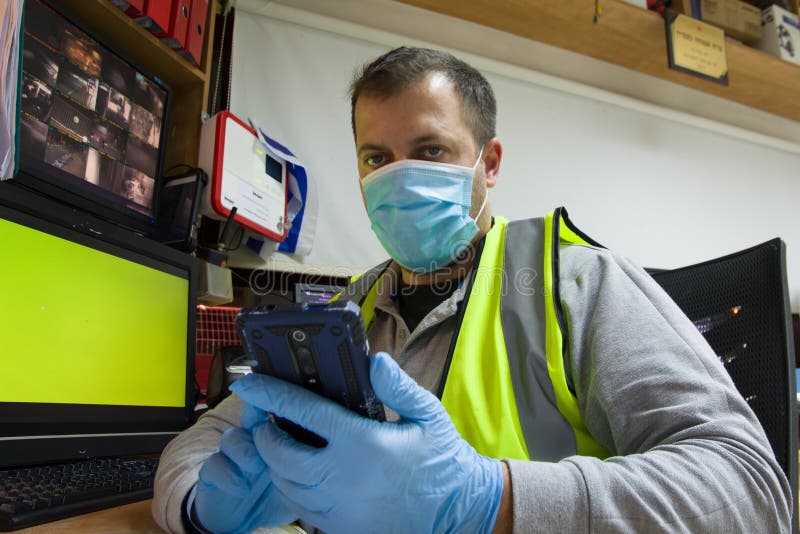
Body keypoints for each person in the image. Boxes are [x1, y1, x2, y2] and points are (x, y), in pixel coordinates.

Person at [152, 47, 792, 533]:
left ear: (489, 164)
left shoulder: (576, 283)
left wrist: (491, 500)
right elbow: (200, 443)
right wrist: (201, 513)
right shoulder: (347, 310)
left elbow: (751, 491)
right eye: (377, 158)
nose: (399, 178)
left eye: (430, 151)